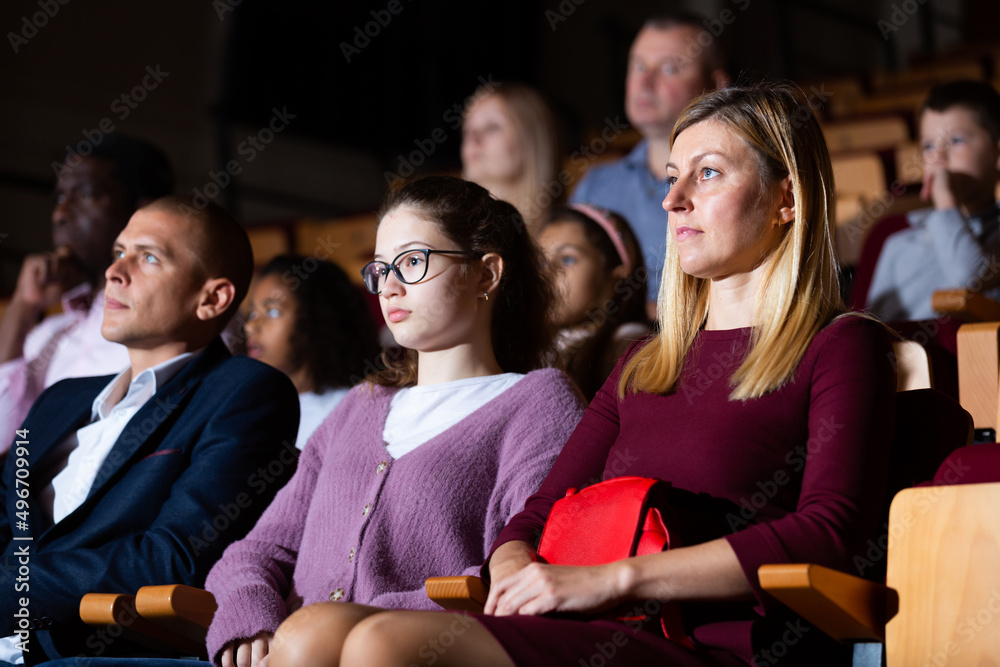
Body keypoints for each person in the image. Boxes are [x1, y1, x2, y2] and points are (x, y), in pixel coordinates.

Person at [261, 85, 898, 667]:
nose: (674, 200)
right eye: (673, 178)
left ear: (786, 199)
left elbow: (829, 533)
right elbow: (532, 518)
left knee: (380, 642)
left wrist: (616, 578)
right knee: (310, 634)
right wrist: (514, 568)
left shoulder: (841, 345)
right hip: (600, 625)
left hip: (714, 643)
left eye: (708, 174)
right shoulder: (643, 364)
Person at [204, 176, 586, 667]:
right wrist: (249, 622)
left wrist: (345, 623)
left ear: (486, 274)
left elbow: (524, 567)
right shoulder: (359, 406)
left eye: (412, 261)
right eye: (381, 268)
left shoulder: (538, 401)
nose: (389, 285)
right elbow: (257, 550)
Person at [0, 197, 300, 663]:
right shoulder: (59, 399)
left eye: (149, 257)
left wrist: (13, 585)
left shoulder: (245, 391)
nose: (115, 272)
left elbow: (173, 558)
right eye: (119, 251)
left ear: (212, 298)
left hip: (92, 649)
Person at [0, 135, 175, 454]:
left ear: (143, 211)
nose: (60, 213)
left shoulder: (172, 324)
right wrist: (22, 308)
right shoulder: (48, 333)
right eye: (60, 197)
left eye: (85, 194)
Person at [571, 12, 730, 315]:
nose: (645, 81)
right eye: (639, 66)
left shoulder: (732, 183)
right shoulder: (596, 184)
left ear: (716, 84)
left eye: (669, 68)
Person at [865, 80, 1000, 321]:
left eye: (956, 141)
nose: (939, 157)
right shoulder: (898, 244)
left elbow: (969, 283)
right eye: (929, 146)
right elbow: (870, 334)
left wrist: (947, 203)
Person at [244, 254, 383, 449]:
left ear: (316, 320)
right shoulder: (253, 410)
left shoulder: (355, 411)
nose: (251, 326)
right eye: (252, 313)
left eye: (272, 311)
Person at [538, 204, 649, 401]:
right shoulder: (544, 345)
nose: (545, 275)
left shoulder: (629, 346)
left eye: (567, 259)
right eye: (541, 263)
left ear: (615, 275)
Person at [462, 83, 561, 236]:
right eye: (468, 129)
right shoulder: (446, 228)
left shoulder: (564, 234)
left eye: (493, 126)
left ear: (531, 139)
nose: (473, 138)